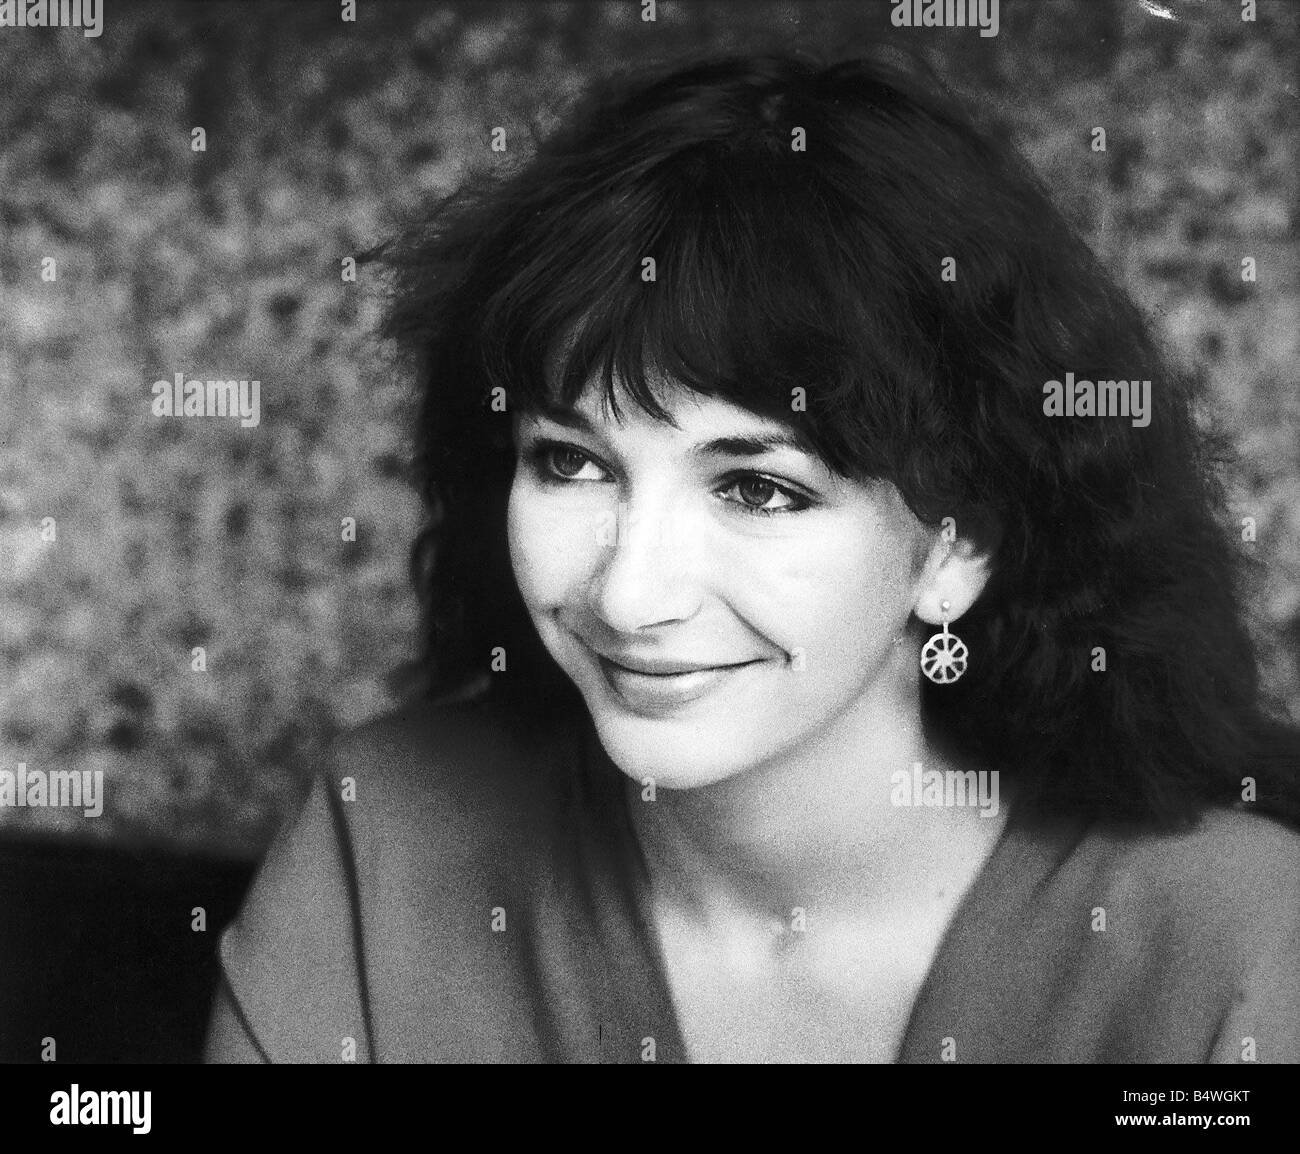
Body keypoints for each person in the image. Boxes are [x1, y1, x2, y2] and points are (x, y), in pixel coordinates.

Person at [204, 48, 1300, 1063]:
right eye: (572, 463)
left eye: (757, 487)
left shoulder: (1236, 940)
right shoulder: (386, 835)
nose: (631, 593)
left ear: (958, 545)